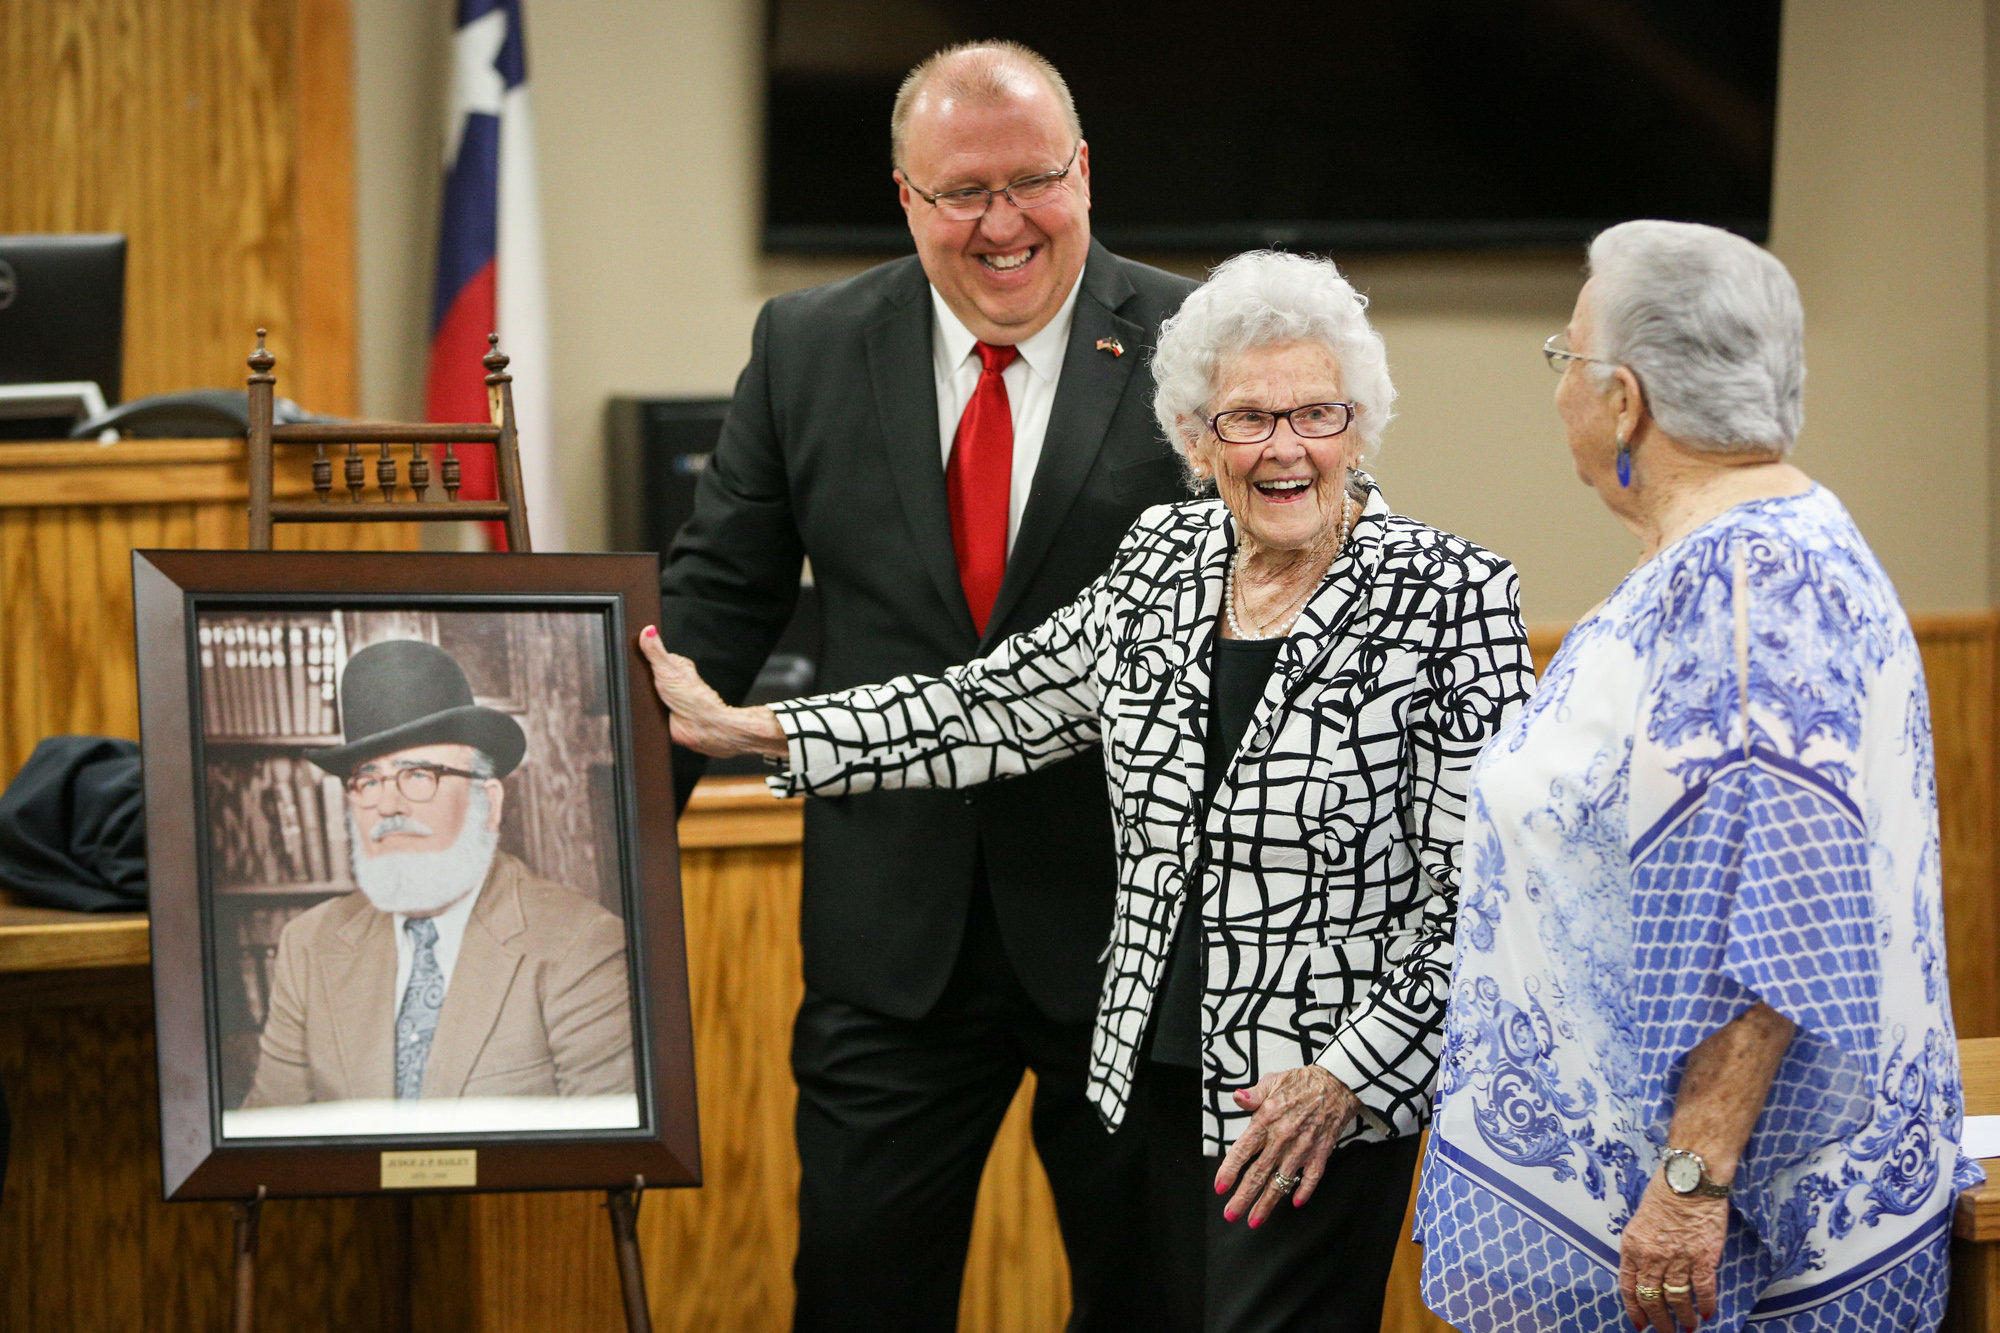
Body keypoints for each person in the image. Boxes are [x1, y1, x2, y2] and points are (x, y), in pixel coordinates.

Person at [644, 248, 1534, 1332]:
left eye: (1316, 413)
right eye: (1246, 420)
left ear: (1360, 425)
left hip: (1308, 1096)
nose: (1284, 448)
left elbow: (1480, 896)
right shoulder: (1163, 555)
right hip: (1145, 1068)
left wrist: (1344, 1078)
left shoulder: (1449, 595)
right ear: (1197, 443)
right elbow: (993, 704)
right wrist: (758, 727)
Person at [656, 39, 1197, 1330]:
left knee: (1154, 1304)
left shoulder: (1201, 344)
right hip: (889, 939)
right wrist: (605, 844)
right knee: (857, 1297)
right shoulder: (809, 344)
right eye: (963, 192)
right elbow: (716, 601)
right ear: (904, 196)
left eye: (1034, 181)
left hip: (1133, 940)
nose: (1003, 223)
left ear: (1084, 172)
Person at [1416, 220, 1983, 1333]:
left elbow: (1781, 914)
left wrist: (1686, 1191)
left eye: (1563, 361)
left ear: (1622, 399)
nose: (1560, 390)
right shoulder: (1737, 554)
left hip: (1699, 1261)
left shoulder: (1750, 584)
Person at [242, 639, 633, 1110]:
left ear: (487, 803)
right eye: (368, 781)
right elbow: (274, 1147)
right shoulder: (307, 944)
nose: (387, 805)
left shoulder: (583, 946)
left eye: (419, 775)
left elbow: (596, 1158)